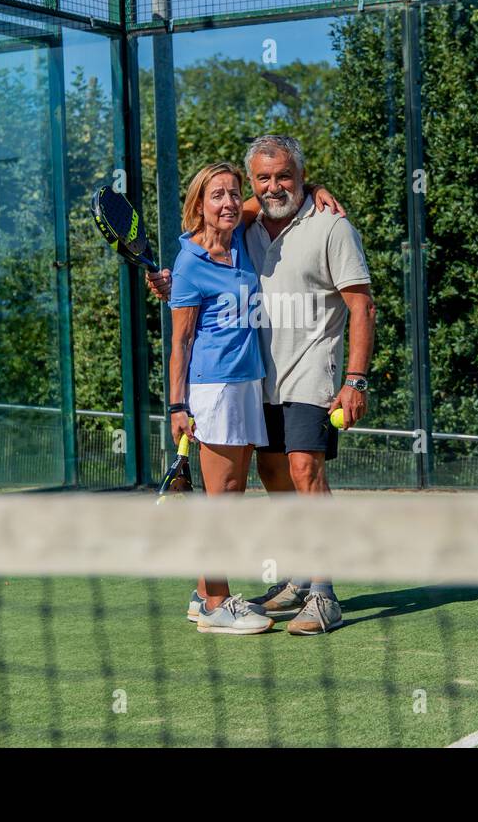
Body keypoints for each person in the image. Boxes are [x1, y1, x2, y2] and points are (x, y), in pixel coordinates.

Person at [151, 136, 376, 635]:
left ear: (301, 175)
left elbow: (362, 306)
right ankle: (286, 580)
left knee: (302, 473)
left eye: (286, 177)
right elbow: (224, 214)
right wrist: (180, 283)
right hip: (256, 381)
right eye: (263, 179)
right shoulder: (246, 226)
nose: (273, 187)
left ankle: (322, 593)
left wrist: (356, 380)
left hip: (310, 374)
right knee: (274, 480)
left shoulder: (331, 227)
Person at [167, 162, 274, 635]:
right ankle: (217, 604)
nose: (229, 202)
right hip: (214, 390)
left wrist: (316, 187)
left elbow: (267, 199)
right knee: (223, 498)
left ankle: (201, 594)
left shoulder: (241, 237)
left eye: (233, 193)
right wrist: (177, 406)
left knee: (230, 492)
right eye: (217, 196)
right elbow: (181, 342)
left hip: (249, 382)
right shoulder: (190, 262)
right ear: (199, 204)